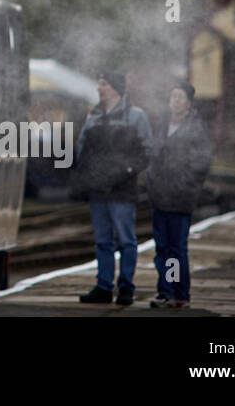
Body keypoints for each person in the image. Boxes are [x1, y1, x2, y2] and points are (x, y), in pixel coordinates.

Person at [73, 71, 152, 306]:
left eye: (103, 84)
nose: (99, 88)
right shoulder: (94, 116)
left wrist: (127, 170)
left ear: (116, 88)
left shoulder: (136, 116)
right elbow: (81, 147)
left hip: (122, 189)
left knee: (126, 240)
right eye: (99, 84)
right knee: (102, 241)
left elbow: (147, 150)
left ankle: (126, 286)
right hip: (98, 189)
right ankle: (104, 286)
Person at [145, 81, 212, 309]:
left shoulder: (196, 128)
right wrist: (151, 181)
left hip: (180, 198)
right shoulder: (162, 124)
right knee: (161, 248)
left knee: (176, 249)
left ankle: (178, 293)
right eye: (172, 96)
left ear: (189, 102)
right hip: (159, 196)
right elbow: (152, 156)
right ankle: (165, 290)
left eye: (180, 97)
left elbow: (201, 164)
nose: (175, 100)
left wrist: (183, 186)